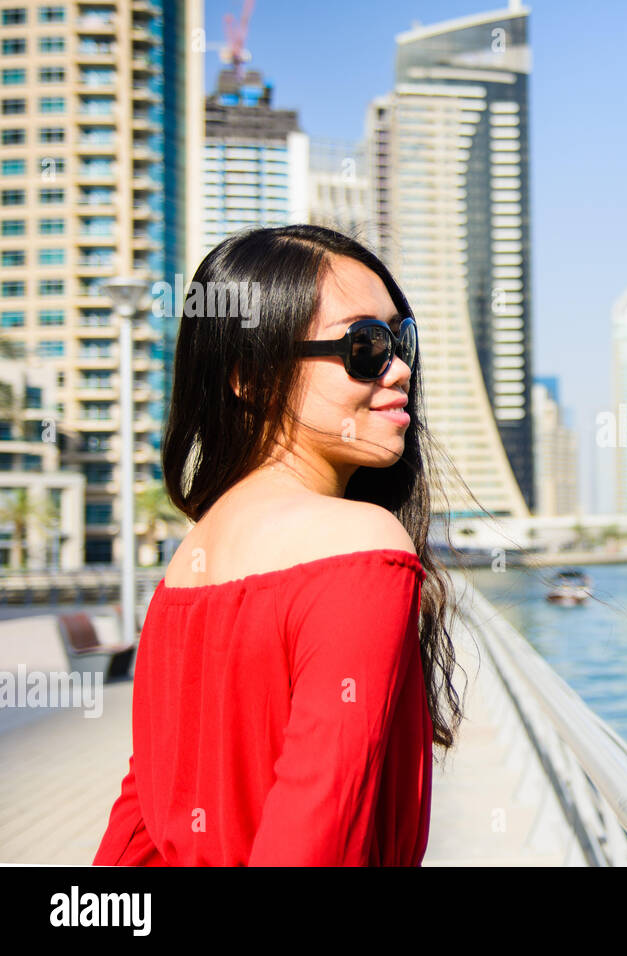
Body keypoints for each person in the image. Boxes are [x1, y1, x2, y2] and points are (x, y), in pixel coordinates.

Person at [92, 224, 464, 865]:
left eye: (401, 340)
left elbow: (142, 820)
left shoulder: (186, 566)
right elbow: (315, 829)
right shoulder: (361, 542)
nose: (400, 368)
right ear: (252, 378)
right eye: (365, 346)